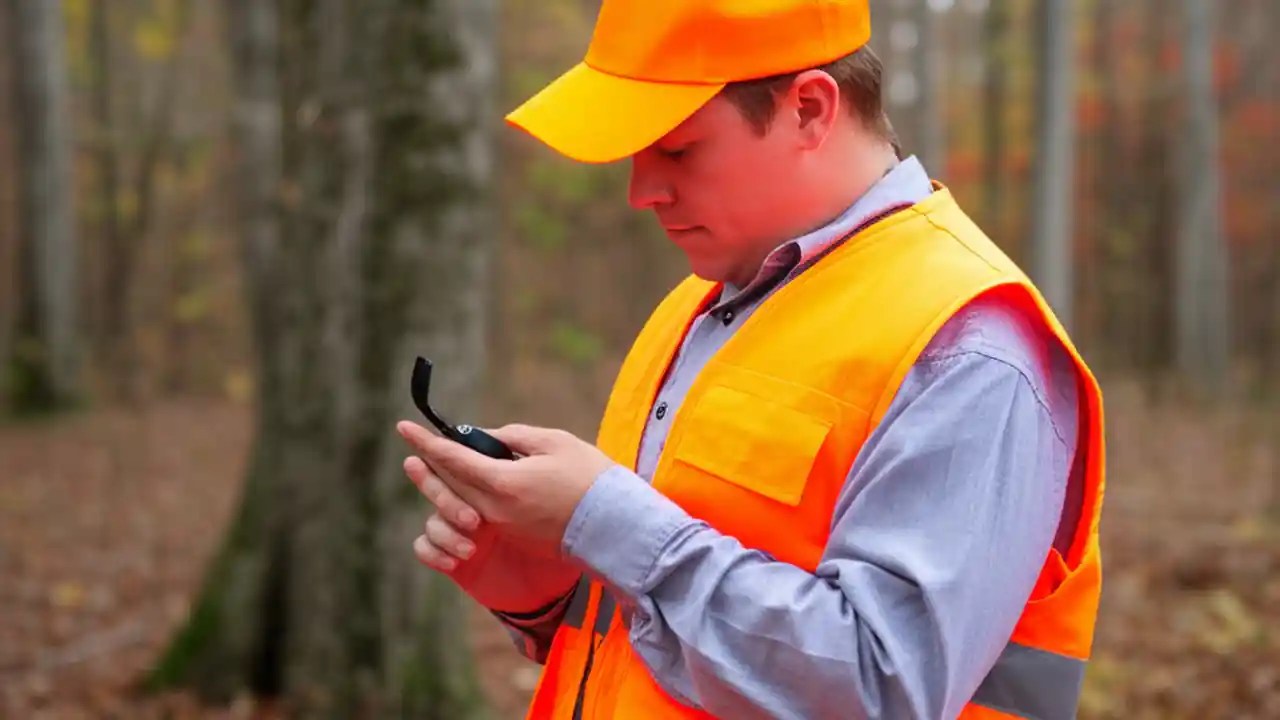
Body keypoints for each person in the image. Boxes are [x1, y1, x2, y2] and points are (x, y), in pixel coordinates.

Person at [396, 1, 1106, 718]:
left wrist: (604, 520)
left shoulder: (970, 349)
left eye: (677, 149)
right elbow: (680, 626)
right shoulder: (697, 306)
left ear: (808, 109)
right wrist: (549, 596)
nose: (643, 191)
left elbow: (883, 686)